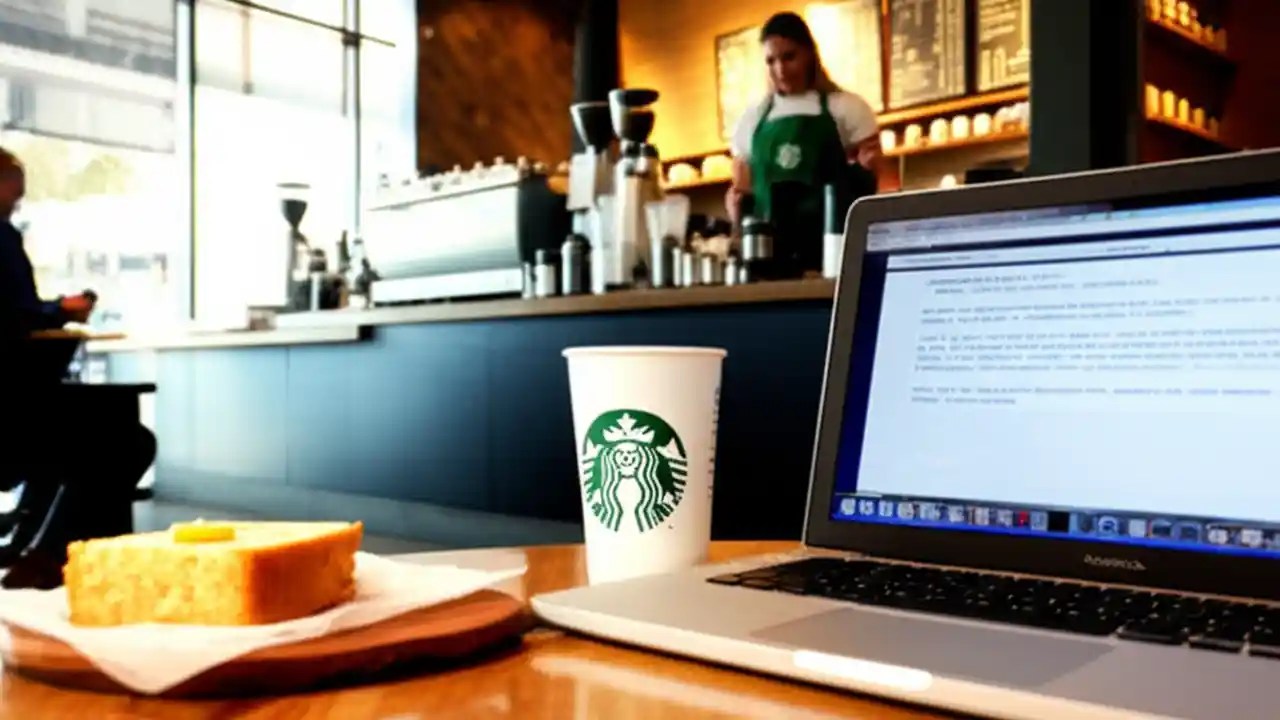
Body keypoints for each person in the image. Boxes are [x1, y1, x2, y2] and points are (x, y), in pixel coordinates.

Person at [0, 147, 156, 588]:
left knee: (75, 434)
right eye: (14, 193)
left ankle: (35, 545)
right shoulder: (1, 238)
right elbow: (18, 317)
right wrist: (62, 310)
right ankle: (54, 561)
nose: (18, 203)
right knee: (125, 439)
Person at [726, 12, 881, 274]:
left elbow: (879, 183)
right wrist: (735, 208)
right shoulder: (751, 119)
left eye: (789, 57)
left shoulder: (847, 109)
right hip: (767, 260)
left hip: (832, 257)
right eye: (770, 61)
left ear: (809, 54)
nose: (781, 70)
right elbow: (741, 192)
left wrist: (867, 170)